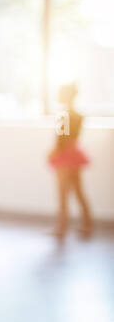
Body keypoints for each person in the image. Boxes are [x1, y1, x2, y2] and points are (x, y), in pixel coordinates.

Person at [48, 81, 93, 240]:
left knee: (62, 194)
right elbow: (73, 136)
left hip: (64, 155)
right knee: (79, 192)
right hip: (75, 153)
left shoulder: (63, 114)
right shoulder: (79, 115)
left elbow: (61, 139)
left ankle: (61, 228)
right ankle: (87, 225)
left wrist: (52, 153)